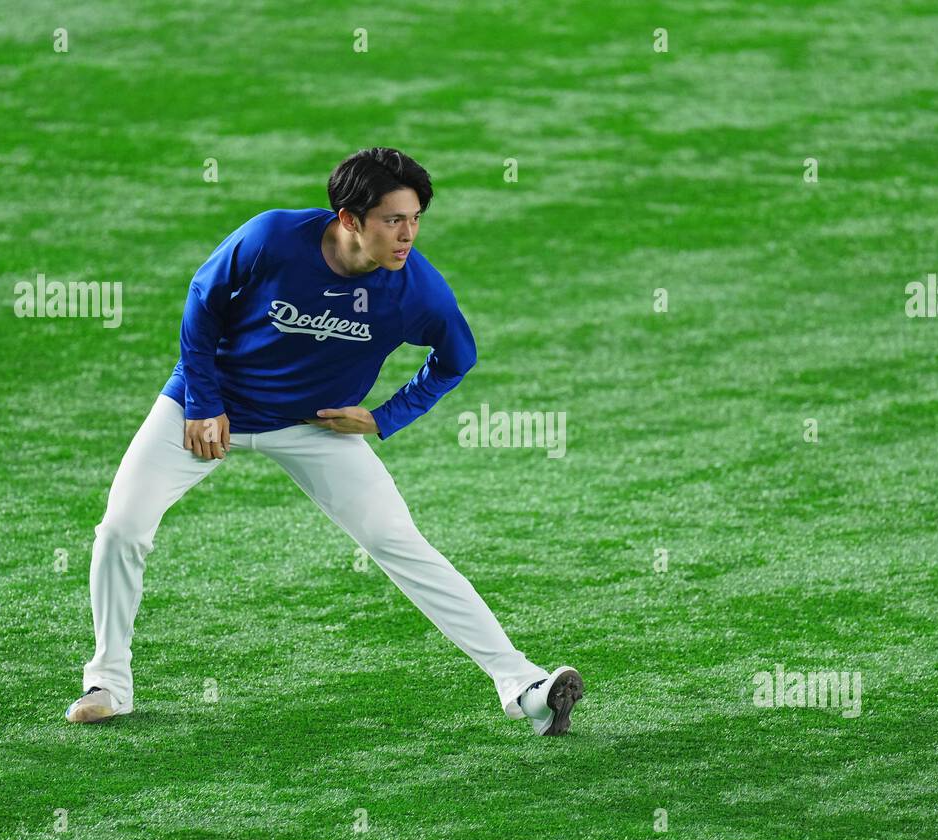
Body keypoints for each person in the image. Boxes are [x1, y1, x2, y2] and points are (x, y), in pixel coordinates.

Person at [66, 147, 584, 736]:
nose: (408, 234)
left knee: (398, 541)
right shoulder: (271, 238)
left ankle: (523, 686)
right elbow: (202, 304)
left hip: (315, 427)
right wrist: (204, 402)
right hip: (210, 409)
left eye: (415, 219)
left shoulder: (418, 291)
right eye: (393, 220)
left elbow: (456, 358)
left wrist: (386, 417)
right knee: (121, 527)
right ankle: (108, 680)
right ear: (348, 219)